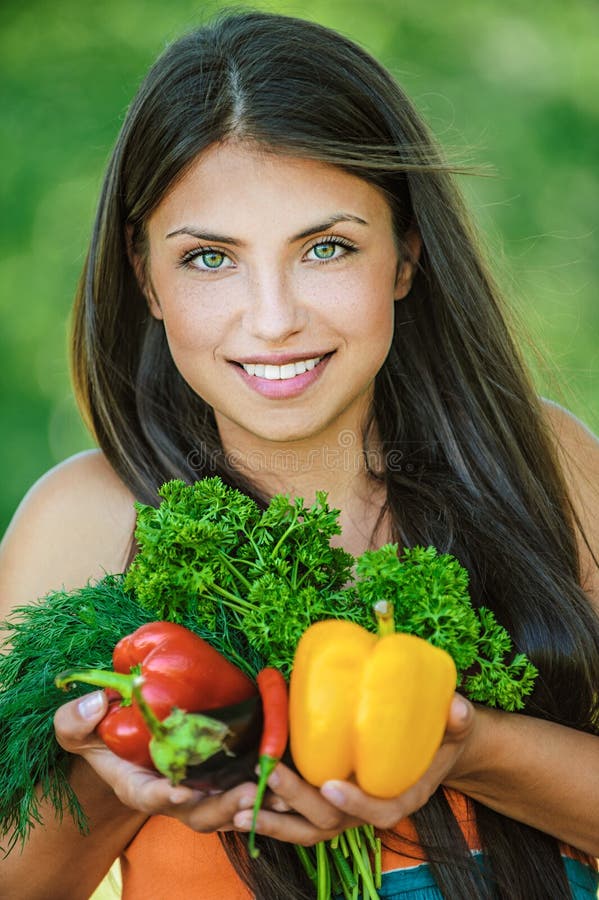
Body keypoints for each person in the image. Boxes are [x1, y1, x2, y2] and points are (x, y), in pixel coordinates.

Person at [1, 9, 598, 900]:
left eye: (326, 248)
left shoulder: (544, 457)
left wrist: (472, 746)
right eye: (210, 258)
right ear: (144, 275)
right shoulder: (88, 514)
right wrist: (115, 777)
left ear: (405, 256)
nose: (273, 317)